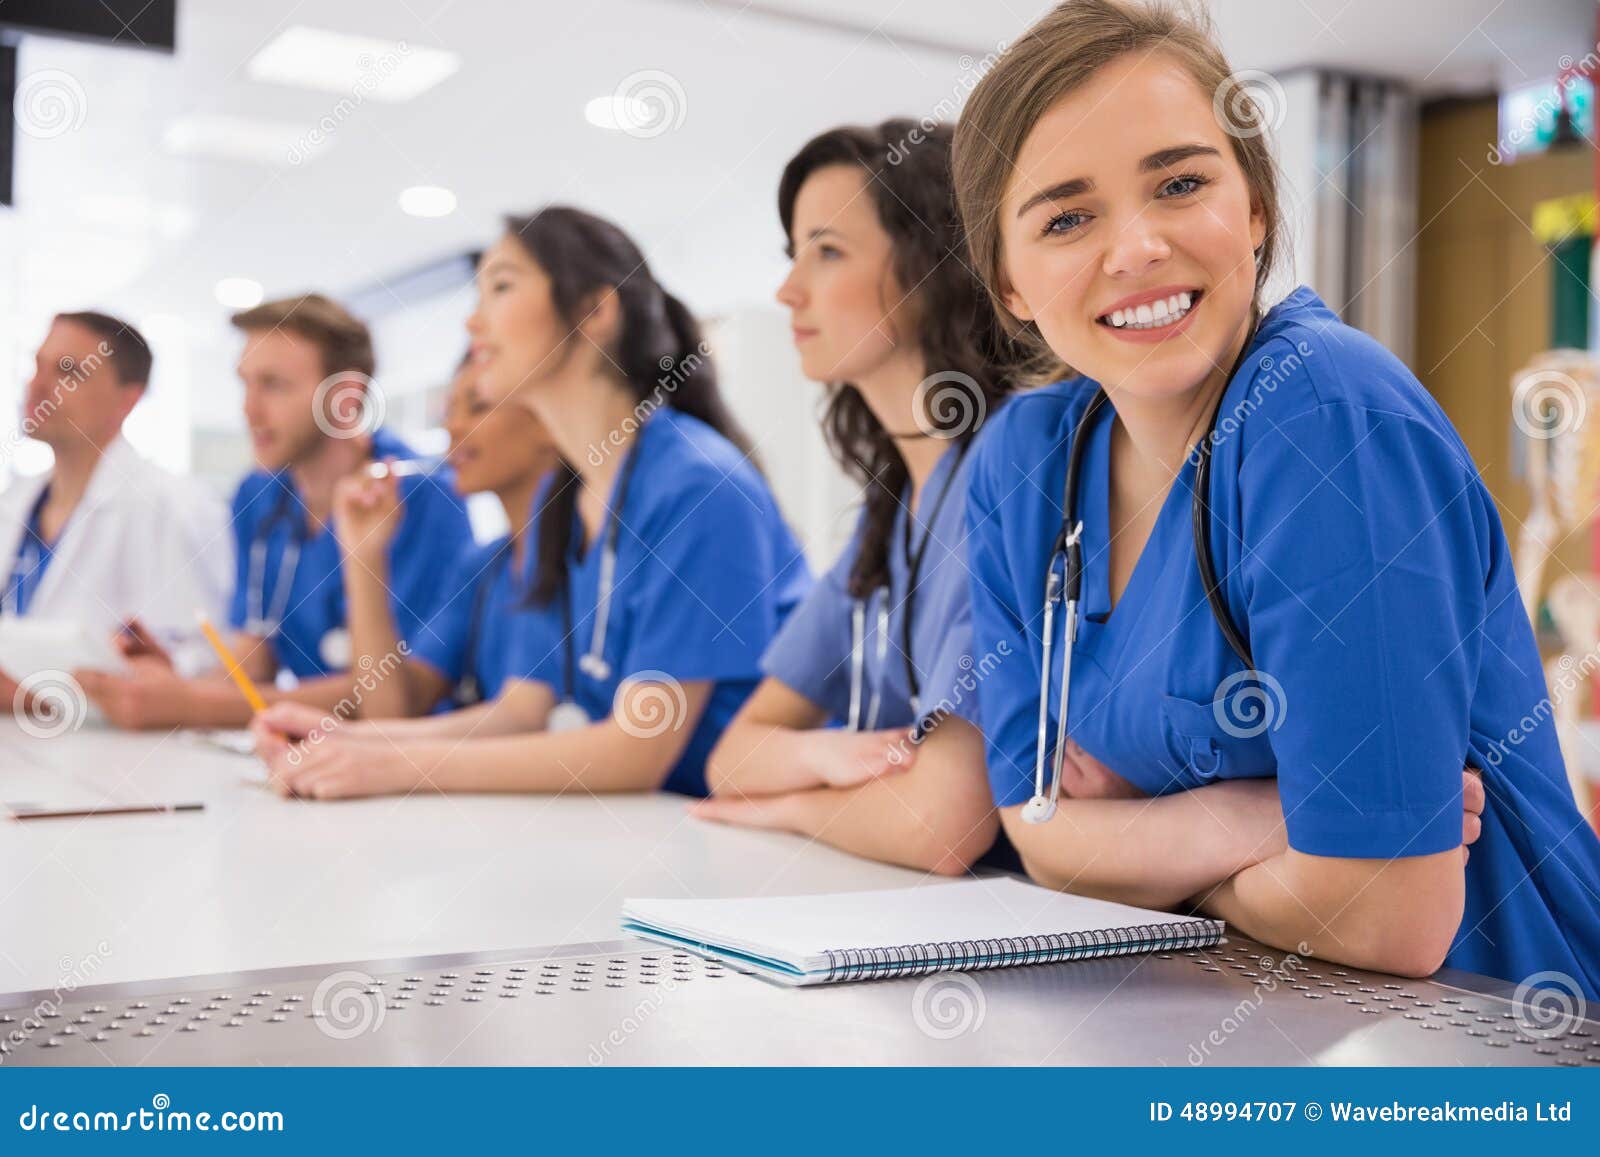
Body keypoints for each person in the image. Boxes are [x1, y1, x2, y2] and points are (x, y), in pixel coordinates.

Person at [950, 0, 1600, 993]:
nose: (1136, 250)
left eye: (1179, 183)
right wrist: (1244, 819)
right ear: (1007, 281)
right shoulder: (1020, 466)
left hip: (1492, 1042)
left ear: (1252, 208)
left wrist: (1149, 851)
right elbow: (1038, 834)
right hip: (1236, 1015)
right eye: (1067, 216)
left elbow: (1390, 914)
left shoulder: (1321, 413)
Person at [250, 207, 810, 800]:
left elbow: (636, 752)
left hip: (721, 850)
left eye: (501, 287)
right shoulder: (565, 496)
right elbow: (520, 710)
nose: (472, 321)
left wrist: (391, 770)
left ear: (595, 310)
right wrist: (353, 744)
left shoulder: (698, 487)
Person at [696, 121, 1012, 876]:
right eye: (792, 253)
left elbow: (939, 824)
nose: (787, 290)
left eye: (827, 251)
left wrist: (789, 807)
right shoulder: (893, 511)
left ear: (930, 270)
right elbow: (731, 758)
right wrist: (824, 751)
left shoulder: (1002, 481)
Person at [76, 294, 474, 728]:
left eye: (273, 385)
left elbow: (396, 692)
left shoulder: (426, 498)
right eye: (245, 383)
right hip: (303, 746)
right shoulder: (259, 495)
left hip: (407, 765)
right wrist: (174, 687)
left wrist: (194, 705)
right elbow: (255, 655)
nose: (248, 410)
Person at [0, 311, 230, 711]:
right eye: (37, 367)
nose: (36, 386)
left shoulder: (177, 507)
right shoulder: (15, 503)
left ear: (128, 398)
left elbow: (203, 664)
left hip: (109, 760)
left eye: (67, 372)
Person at [331, 355, 557, 715]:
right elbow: (391, 713)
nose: (453, 427)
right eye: (449, 412)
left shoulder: (590, 557)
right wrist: (363, 555)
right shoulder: (482, 568)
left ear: (551, 419)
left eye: (478, 406)